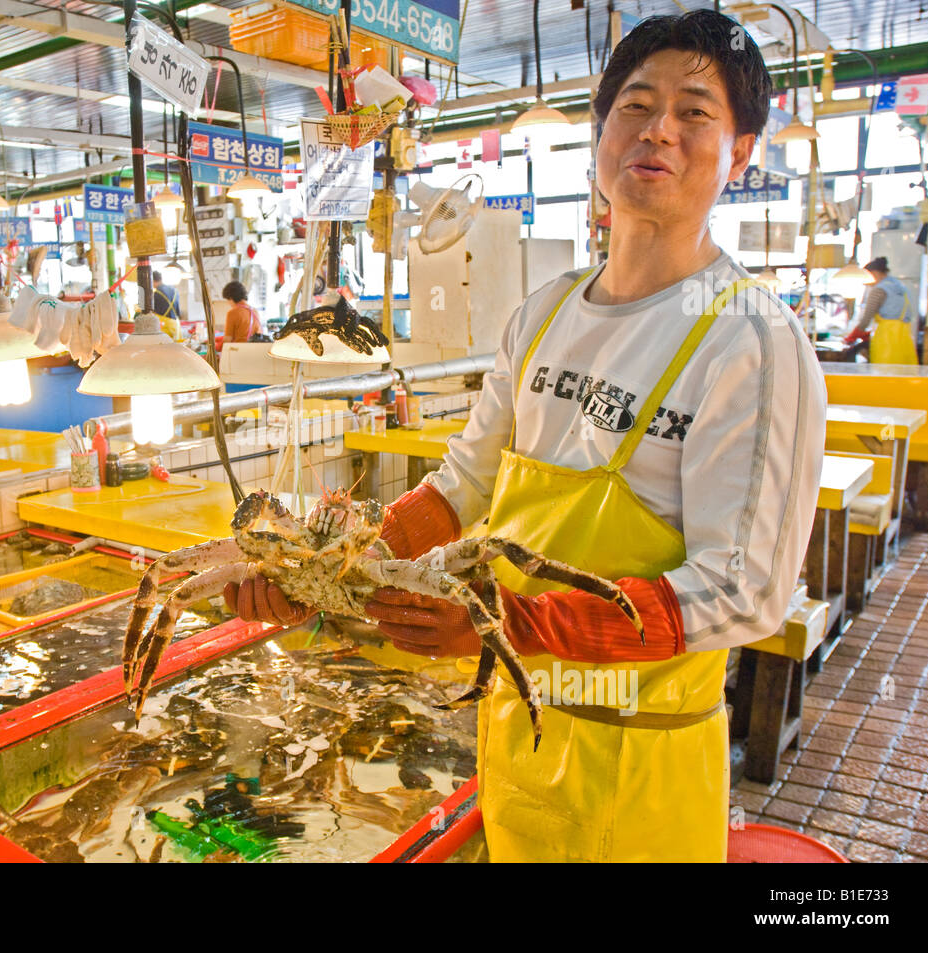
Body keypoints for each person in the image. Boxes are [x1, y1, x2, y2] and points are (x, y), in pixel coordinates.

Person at [223, 9, 826, 862]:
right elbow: (457, 489)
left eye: (696, 111)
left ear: (742, 151)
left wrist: (510, 622)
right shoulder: (539, 319)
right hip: (519, 738)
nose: (657, 129)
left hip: (644, 762)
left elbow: (745, 591)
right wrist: (326, 579)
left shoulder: (753, 343)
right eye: (635, 103)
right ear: (599, 131)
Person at [844, 257, 918, 363]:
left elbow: (866, 318)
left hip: (886, 340)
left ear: (874, 273)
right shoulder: (901, 287)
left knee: (884, 372)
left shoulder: (879, 289)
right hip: (905, 338)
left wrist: (852, 336)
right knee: (903, 373)